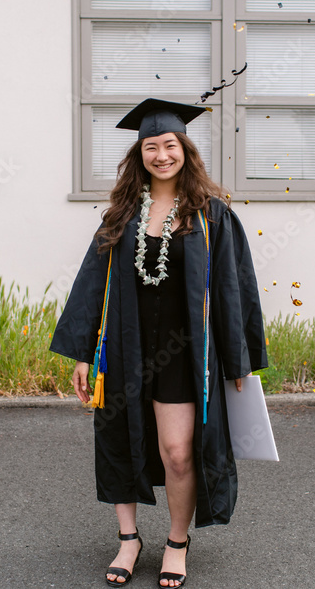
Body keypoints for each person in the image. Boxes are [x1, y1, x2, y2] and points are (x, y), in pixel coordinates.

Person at [49, 98, 268, 587]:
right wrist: (83, 353)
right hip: (125, 348)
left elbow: (235, 290)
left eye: (170, 145)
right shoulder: (122, 213)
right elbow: (90, 283)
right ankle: (128, 540)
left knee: (177, 451)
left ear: (185, 150)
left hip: (184, 354)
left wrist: (239, 360)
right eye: (152, 146)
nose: (162, 154)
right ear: (139, 154)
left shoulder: (212, 215)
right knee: (118, 442)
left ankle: (176, 541)